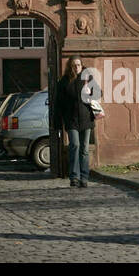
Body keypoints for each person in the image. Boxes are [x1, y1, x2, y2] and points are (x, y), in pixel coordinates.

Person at [55, 56, 98, 187]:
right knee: (75, 145)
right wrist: (57, 123)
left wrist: (90, 93)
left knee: (84, 149)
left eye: (79, 65)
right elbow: (58, 104)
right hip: (71, 119)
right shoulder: (64, 82)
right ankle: (74, 177)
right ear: (70, 66)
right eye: (74, 65)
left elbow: (99, 93)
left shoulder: (87, 78)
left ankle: (84, 178)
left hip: (86, 118)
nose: (77, 67)